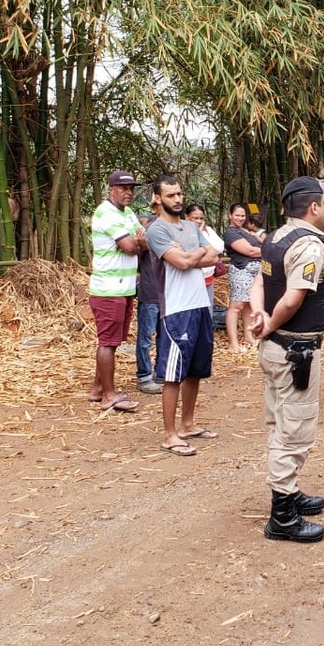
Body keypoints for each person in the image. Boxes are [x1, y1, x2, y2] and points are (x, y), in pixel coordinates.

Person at [248, 176, 324, 543]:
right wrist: (269, 324)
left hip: (275, 350)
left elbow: (260, 284)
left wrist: (258, 317)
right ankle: (282, 516)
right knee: (293, 430)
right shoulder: (311, 246)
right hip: (295, 351)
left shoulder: (276, 238)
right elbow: (293, 298)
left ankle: (290, 492)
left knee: (280, 422)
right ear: (314, 207)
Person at [144, 176, 220, 456]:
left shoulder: (189, 226)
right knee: (173, 374)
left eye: (179, 194)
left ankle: (187, 424)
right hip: (176, 309)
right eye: (170, 195)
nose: (177, 199)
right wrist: (196, 254)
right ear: (157, 198)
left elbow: (214, 256)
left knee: (195, 371)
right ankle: (169, 434)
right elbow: (184, 262)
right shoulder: (156, 230)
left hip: (200, 304)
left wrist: (193, 254)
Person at [88, 170, 144, 414]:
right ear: (111, 190)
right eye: (123, 188)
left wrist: (139, 239)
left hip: (124, 288)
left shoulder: (127, 213)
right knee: (108, 342)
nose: (128, 192)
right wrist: (137, 239)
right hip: (108, 289)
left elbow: (143, 238)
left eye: (131, 188)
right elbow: (133, 245)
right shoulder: (105, 212)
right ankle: (110, 395)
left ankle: (98, 388)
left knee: (113, 340)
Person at [223, 203, 263, 352]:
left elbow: (261, 242)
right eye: (237, 215)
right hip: (241, 271)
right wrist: (267, 250)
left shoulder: (245, 230)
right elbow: (250, 251)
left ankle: (249, 336)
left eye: (242, 215)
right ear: (230, 215)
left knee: (248, 305)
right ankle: (233, 344)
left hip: (253, 272)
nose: (240, 218)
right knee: (236, 306)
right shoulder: (231, 233)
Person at [135, 195, 164, 395]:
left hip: (169, 293)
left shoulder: (178, 227)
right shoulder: (148, 230)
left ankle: (161, 372)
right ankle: (144, 375)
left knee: (165, 336)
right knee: (146, 337)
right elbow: (139, 249)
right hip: (150, 290)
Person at [186, 203, 226, 308]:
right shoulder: (182, 232)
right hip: (191, 278)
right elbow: (190, 251)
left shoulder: (208, 230)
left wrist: (202, 243)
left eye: (201, 218)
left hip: (208, 275)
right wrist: (206, 246)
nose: (199, 221)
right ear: (186, 217)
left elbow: (219, 247)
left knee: (208, 310)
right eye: (195, 218)